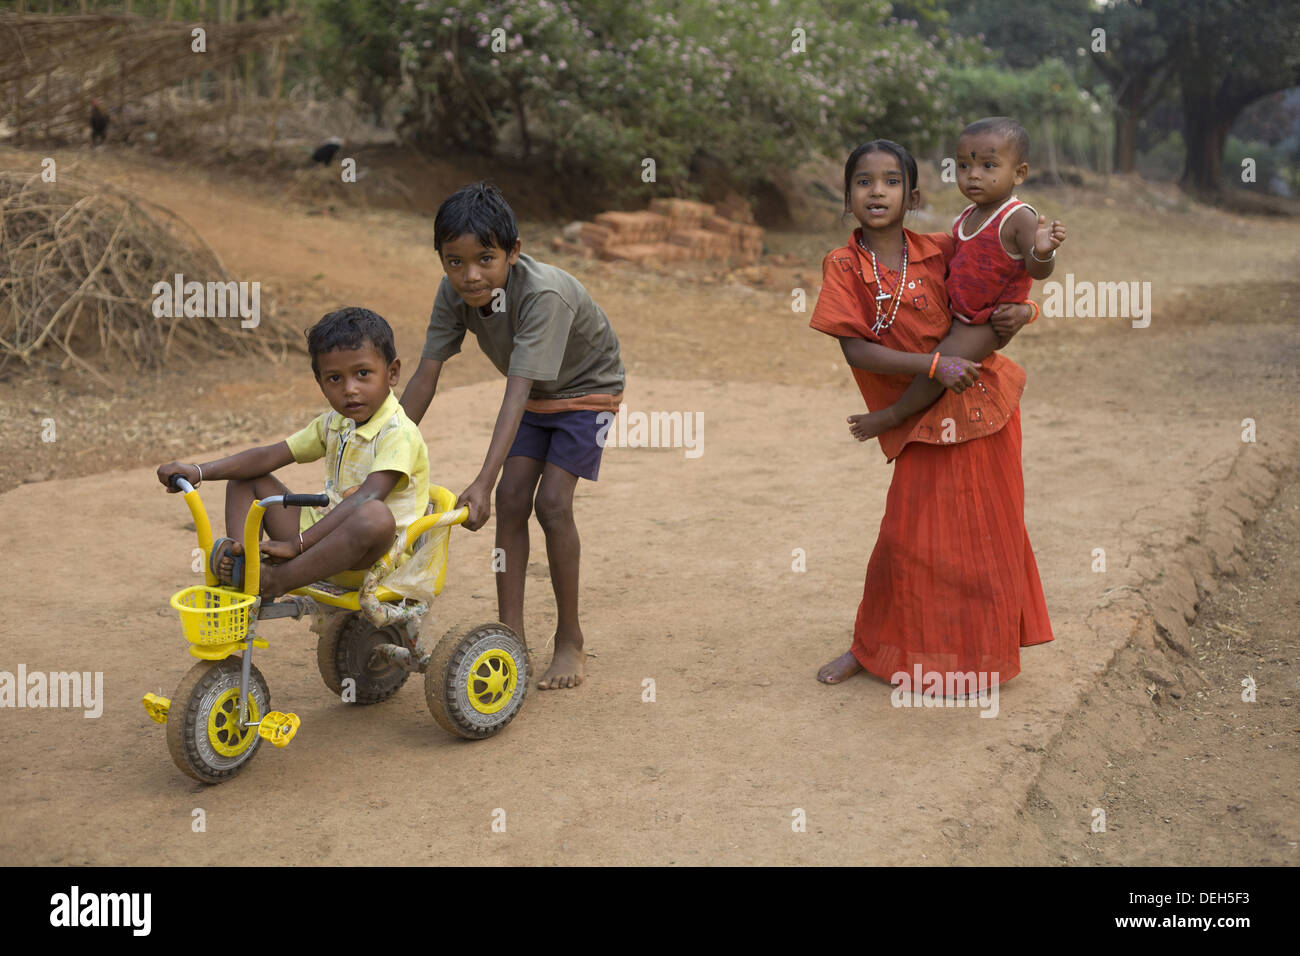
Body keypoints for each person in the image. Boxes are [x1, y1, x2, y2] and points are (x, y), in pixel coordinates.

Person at [810, 139, 1054, 690]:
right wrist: (933, 366)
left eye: (891, 181)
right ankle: (872, 648)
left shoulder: (940, 249)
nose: (877, 190)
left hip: (980, 404)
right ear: (847, 198)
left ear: (912, 195)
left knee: (985, 532)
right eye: (864, 182)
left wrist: (1028, 308)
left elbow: (1003, 277)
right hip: (923, 413)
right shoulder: (844, 265)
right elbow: (855, 348)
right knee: (905, 535)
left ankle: (979, 659)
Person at [400, 182, 625, 691]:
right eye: (454, 261)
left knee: (551, 503)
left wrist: (479, 479)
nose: (470, 275)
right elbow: (424, 377)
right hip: (534, 394)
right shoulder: (453, 292)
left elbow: (515, 395)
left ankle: (570, 637)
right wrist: (382, 455)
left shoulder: (542, 295)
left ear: (513, 252)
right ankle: (511, 638)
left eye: (485, 258)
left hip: (587, 390)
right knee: (511, 497)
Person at [156, 307, 429, 600]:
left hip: (374, 555)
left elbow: (367, 497)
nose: (350, 389)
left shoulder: (398, 433)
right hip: (322, 540)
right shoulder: (335, 423)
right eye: (335, 379)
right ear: (320, 383)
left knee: (373, 514)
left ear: (392, 373)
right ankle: (244, 563)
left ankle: (275, 580)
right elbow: (270, 455)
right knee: (246, 479)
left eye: (363, 374)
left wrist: (298, 544)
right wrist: (198, 471)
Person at [847, 117, 1066, 442]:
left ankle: (892, 415)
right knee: (937, 354)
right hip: (961, 313)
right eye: (964, 165)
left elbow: (1036, 270)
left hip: (987, 322)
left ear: (1019, 173)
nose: (974, 175)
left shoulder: (1018, 216)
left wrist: (1044, 251)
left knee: (942, 364)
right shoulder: (967, 216)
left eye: (989, 165)